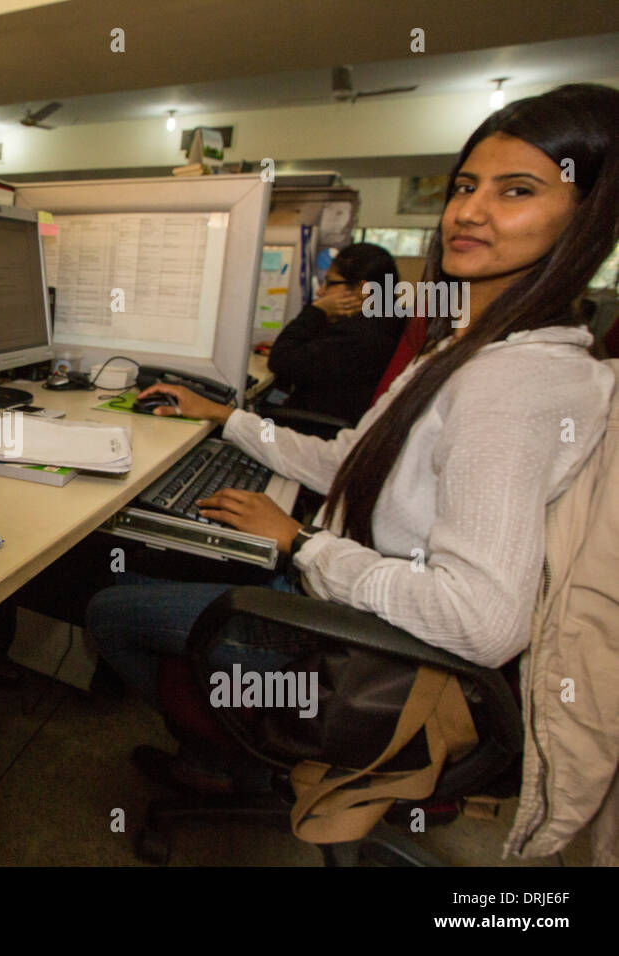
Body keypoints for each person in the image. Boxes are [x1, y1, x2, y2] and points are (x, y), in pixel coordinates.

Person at [87, 83, 619, 793]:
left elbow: (483, 621)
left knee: (107, 608)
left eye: (516, 191)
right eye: (465, 186)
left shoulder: (511, 383)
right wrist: (226, 420)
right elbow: (348, 459)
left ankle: (239, 761)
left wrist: (303, 544)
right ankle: (236, 741)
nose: (469, 211)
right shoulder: (473, 346)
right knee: (164, 560)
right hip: (346, 602)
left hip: (364, 658)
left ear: (587, 217)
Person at [265, 243, 404, 423]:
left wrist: (316, 310)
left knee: (252, 412)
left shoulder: (358, 336)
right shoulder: (385, 323)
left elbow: (280, 360)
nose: (321, 291)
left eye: (330, 283)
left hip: (310, 432)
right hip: (326, 419)